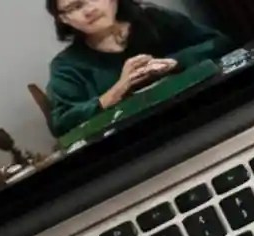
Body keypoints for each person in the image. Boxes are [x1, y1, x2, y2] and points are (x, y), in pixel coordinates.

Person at [45, 0, 235, 138]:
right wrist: (114, 93)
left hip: (207, 114)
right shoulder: (67, 65)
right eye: (76, 6)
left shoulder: (154, 20)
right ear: (64, 18)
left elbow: (220, 43)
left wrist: (175, 62)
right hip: (137, 144)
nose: (90, 10)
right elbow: (61, 123)